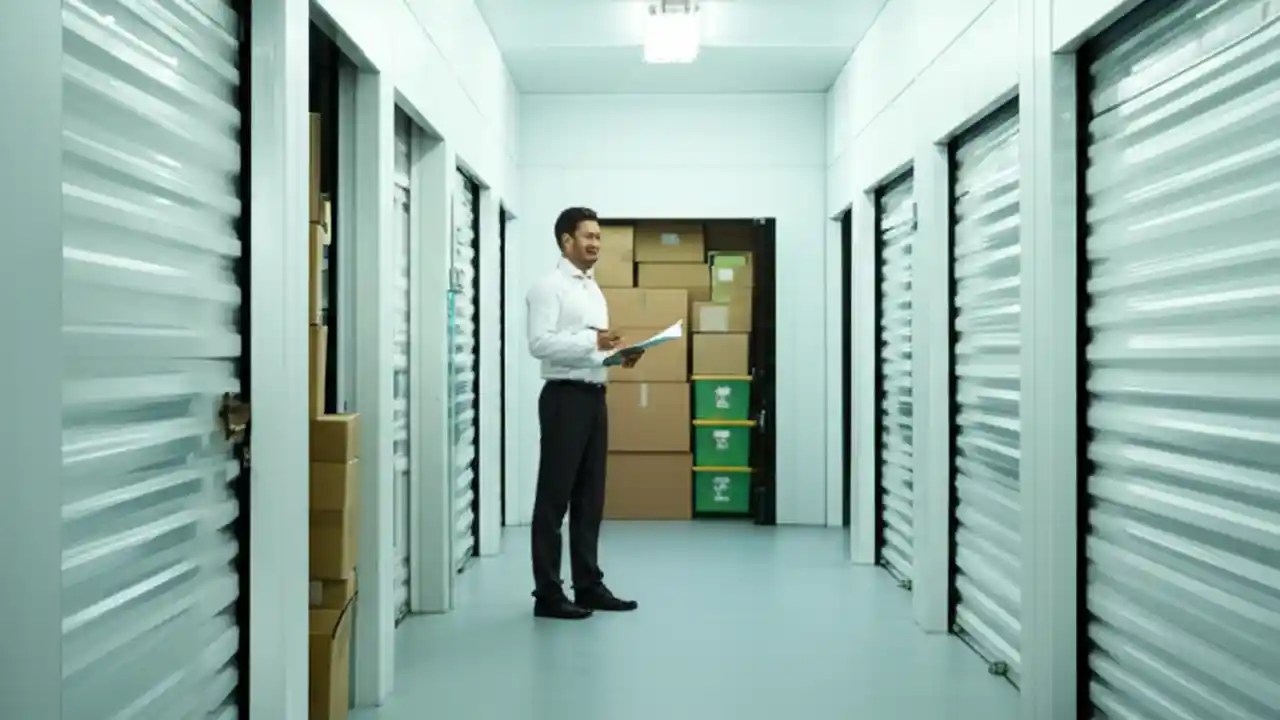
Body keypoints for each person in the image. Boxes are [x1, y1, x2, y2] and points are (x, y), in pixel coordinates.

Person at [525, 206, 642, 620]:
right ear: (565, 241)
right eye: (587, 236)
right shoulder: (549, 287)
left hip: (594, 396)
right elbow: (539, 344)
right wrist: (594, 344)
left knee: (590, 497)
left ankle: (588, 585)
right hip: (563, 400)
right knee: (554, 498)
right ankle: (548, 594)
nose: (595, 244)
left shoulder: (593, 289)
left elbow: (591, 349)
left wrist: (615, 357)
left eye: (598, 237)